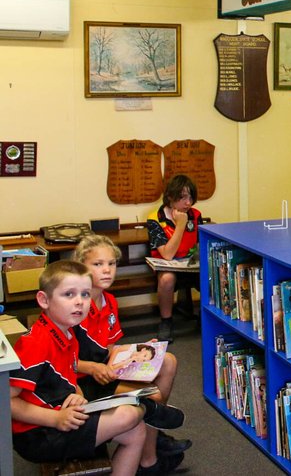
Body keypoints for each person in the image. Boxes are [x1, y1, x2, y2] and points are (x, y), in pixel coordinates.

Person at [10, 260, 184, 475]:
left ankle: (145, 411)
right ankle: (147, 408)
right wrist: (55, 419)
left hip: (62, 414)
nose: (79, 302)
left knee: (135, 431)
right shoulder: (35, 342)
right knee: (128, 416)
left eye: (85, 294)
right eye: (69, 295)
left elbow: (68, 378)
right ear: (44, 300)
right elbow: (7, 402)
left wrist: (77, 395)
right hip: (38, 434)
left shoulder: (68, 333)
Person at [73, 235, 191, 472]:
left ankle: (150, 445)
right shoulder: (75, 304)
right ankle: (151, 447)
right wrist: (93, 367)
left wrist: (139, 351)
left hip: (106, 372)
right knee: (149, 397)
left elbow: (108, 349)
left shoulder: (109, 302)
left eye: (112, 264)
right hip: (80, 383)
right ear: (81, 267)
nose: (107, 270)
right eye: (97, 264)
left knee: (166, 360)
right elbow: (59, 361)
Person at [147, 174, 203, 342]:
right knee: (167, 279)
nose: (188, 203)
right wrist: (180, 224)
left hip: (191, 264)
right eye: (183, 197)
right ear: (171, 197)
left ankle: (205, 317)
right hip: (168, 265)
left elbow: (200, 241)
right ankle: (166, 321)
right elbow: (167, 254)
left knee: (212, 273)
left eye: (191, 197)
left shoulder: (195, 214)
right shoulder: (155, 218)